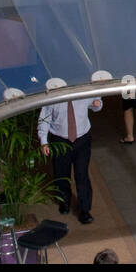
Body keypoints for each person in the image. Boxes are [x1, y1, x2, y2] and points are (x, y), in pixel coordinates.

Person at [38, 95, 104, 223]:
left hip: (82, 139)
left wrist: (97, 104)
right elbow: (44, 118)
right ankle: (64, 202)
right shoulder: (53, 96)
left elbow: (96, 102)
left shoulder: (82, 89)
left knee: (82, 174)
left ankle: (85, 210)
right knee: (61, 174)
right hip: (60, 140)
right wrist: (44, 141)